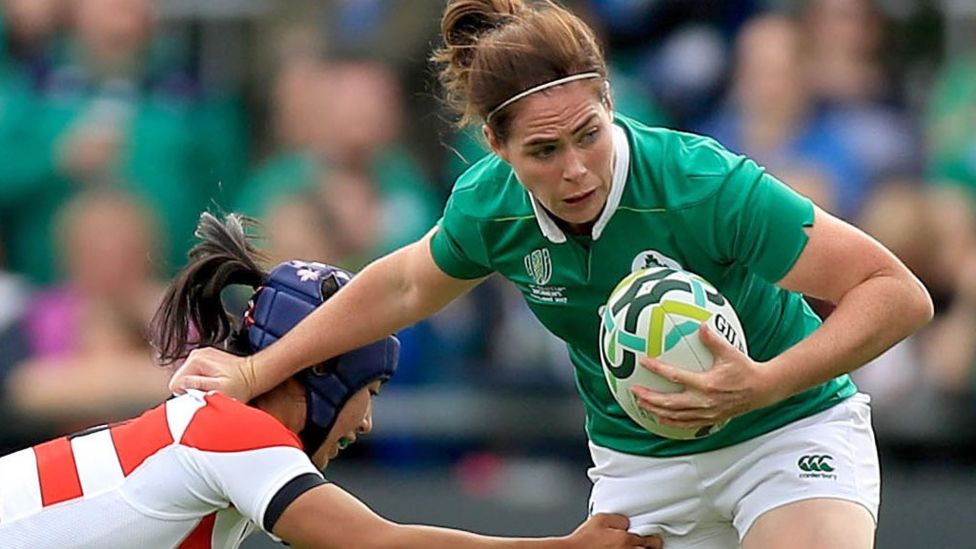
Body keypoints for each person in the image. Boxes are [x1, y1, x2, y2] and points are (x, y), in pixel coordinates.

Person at [169, 2, 934, 548]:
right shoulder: (489, 207)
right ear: (498, 147)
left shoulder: (703, 184)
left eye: (588, 135)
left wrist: (763, 382)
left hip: (787, 427)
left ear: (610, 103)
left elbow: (896, 293)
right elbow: (402, 287)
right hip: (642, 465)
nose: (574, 170)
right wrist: (255, 372)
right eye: (542, 152)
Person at [0, 212, 658, 549]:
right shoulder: (236, 433)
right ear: (316, 373)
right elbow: (377, 542)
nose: (366, 422)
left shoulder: (212, 437)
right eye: (367, 393)